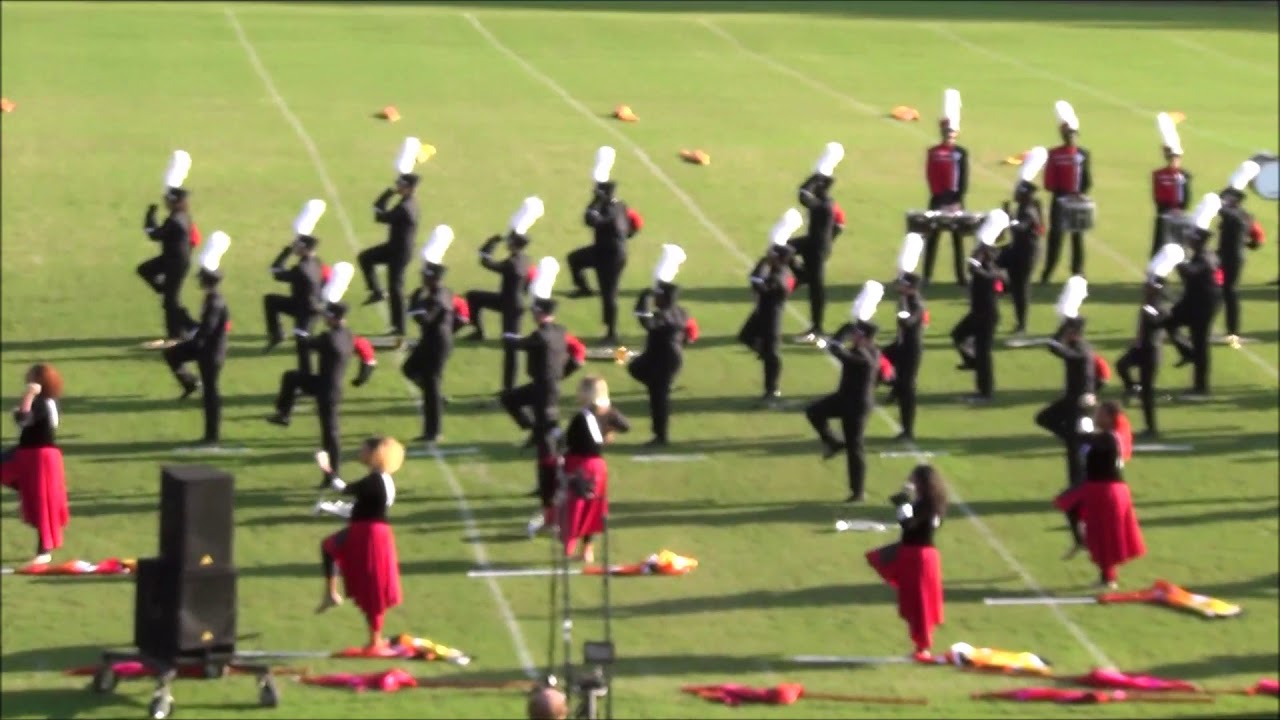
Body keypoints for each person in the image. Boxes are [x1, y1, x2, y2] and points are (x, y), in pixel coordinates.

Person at [267, 264, 377, 487]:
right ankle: (283, 414)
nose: (325, 318)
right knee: (292, 377)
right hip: (328, 385)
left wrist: (301, 331)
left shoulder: (329, 338)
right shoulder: (347, 335)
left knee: (330, 434)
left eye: (328, 315)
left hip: (326, 390)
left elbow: (307, 344)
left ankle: (332, 475)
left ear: (335, 318)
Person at [317, 436, 405, 651]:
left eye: (364, 449)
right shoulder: (383, 480)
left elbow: (343, 488)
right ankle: (331, 594)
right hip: (370, 532)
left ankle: (374, 639)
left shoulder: (374, 480)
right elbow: (359, 507)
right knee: (330, 546)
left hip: (369, 534)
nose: (360, 452)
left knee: (371, 587)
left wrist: (326, 468)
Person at [1054, 402, 1144, 588]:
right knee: (1068, 504)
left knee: (1103, 534)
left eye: (1100, 414)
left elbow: (1083, 438)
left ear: (1110, 418)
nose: (1097, 417)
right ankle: (1084, 544)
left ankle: (1107, 577)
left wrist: (1070, 423)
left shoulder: (1109, 438)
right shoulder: (1109, 437)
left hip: (1107, 491)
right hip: (1098, 488)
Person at [865, 464, 947, 661]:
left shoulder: (927, 504)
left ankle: (923, 647)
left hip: (917, 557)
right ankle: (921, 645)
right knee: (879, 560)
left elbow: (909, 526)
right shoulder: (933, 501)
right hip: (918, 554)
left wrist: (903, 505)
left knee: (920, 605)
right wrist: (905, 500)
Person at [809, 289, 882, 503]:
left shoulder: (866, 356)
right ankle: (832, 442)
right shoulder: (866, 349)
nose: (855, 336)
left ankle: (858, 491)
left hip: (858, 406)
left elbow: (841, 353)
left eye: (858, 334)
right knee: (814, 412)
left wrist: (828, 344)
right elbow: (839, 345)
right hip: (844, 398)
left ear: (866, 338)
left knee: (855, 447)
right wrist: (844, 331)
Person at [568, 147, 643, 346]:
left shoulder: (607, 210)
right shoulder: (620, 204)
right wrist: (626, 237)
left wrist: (595, 202)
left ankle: (612, 332)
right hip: (605, 251)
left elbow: (589, 219)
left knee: (609, 295)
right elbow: (635, 224)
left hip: (611, 258)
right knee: (574, 259)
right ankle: (583, 288)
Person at [465, 197, 541, 395]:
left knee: (510, 347)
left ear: (514, 245)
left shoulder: (512, 264)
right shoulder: (525, 259)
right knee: (474, 297)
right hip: (511, 302)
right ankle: (478, 332)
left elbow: (485, 261)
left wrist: (491, 242)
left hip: (511, 307)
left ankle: (509, 387)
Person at [164, 232, 231, 447]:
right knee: (172, 354)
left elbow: (206, 331)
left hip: (211, 352)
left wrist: (187, 335)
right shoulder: (211, 298)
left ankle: (212, 436)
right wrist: (186, 321)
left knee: (211, 394)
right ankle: (191, 383)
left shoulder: (214, 302)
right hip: (206, 347)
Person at [1, 364, 69, 566]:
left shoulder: (40, 402)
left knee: (42, 504)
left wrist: (29, 396)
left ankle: (44, 549)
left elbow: (23, 419)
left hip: (37, 457)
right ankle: (24, 488)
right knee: (41, 500)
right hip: (32, 453)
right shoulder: (51, 402)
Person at [558, 377, 630, 564]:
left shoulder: (581, 417)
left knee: (574, 508)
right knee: (593, 508)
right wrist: (608, 432)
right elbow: (625, 425)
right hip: (598, 466)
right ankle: (587, 551)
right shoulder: (608, 412)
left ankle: (568, 549)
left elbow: (566, 442)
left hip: (579, 465)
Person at [501, 258, 569, 449]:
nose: (533, 314)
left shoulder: (540, 335)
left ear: (540, 313)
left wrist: (508, 337)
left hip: (545, 386)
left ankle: (563, 443)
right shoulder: (560, 330)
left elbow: (521, 344)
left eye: (535, 312)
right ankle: (536, 433)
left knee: (549, 422)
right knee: (513, 401)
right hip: (547, 383)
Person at [629, 245, 692, 447]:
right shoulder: (680, 311)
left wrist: (643, 298)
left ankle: (661, 436)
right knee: (635, 366)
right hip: (665, 357)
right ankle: (654, 385)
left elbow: (645, 322)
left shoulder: (663, 315)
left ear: (663, 298)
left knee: (658, 398)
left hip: (662, 360)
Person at [1035, 279, 1095, 487]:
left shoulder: (1078, 350)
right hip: (1075, 401)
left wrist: (1062, 327)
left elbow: (1053, 346)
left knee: (1074, 454)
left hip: (1078, 406)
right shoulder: (1083, 346)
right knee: (1044, 418)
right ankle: (1076, 442)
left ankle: (1078, 486)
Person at [1116, 247, 1179, 438]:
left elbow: (1160, 323)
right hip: (1142, 346)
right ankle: (1133, 387)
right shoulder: (1149, 303)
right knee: (1121, 365)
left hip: (1152, 351)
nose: (1145, 288)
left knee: (1148, 393)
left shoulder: (1161, 308)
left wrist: (1151, 316)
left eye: (1149, 288)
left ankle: (1152, 428)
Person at [1165, 195, 1223, 399]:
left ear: (1198, 242)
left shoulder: (1205, 259)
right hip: (1193, 301)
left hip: (1203, 307)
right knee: (1169, 322)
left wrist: (1177, 259)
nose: (1188, 240)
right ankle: (1186, 352)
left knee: (1201, 344)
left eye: (1191, 239)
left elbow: (1189, 273)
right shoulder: (1206, 255)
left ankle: (1201, 387)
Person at [403, 226, 456, 445]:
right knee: (409, 369)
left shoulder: (436, 299)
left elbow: (424, 319)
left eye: (425, 276)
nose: (421, 279)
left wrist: (415, 303)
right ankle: (437, 398)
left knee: (431, 384)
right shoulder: (440, 292)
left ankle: (433, 431)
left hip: (437, 345)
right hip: (430, 341)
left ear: (432, 278)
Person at [741, 210, 800, 406]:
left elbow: (757, 283)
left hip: (771, 318)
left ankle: (772, 390)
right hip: (762, 312)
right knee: (746, 337)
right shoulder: (778, 269)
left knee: (772, 354)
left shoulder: (779, 278)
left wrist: (763, 264)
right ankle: (763, 353)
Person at [791, 143, 846, 341]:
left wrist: (815, 177)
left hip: (817, 248)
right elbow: (840, 225)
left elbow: (803, 194)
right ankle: (802, 275)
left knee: (817, 288)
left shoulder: (823, 205)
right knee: (785, 247)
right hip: (816, 243)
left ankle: (817, 329)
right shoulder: (827, 202)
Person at [951, 212, 1008, 403]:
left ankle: (986, 392)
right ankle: (972, 362)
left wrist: (977, 269)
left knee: (984, 352)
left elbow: (994, 276)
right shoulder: (987, 253)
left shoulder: (991, 259)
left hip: (987, 313)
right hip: (978, 310)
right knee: (958, 334)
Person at [359, 173, 420, 343]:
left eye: (400, 184)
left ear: (408, 187)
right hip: (395, 248)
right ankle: (377, 291)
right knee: (365, 258)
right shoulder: (410, 203)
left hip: (399, 252)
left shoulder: (404, 208)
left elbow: (379, 215)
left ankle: (399, 327)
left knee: (396, 287)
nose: (397, 186)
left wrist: (387, 194)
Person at [137, 184, 197, 344]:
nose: (165, 203)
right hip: (171, 259)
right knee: (145, 270)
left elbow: (154, 235)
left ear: (175, 202)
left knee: (170, 301)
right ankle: (185, 328)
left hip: (175, 263)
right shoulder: (182, 216)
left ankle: (178, 334)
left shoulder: (175, 219)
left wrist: (149, 216)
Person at [921, 91, 969, 287]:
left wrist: (958, 196)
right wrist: (938, 195)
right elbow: (930, 174)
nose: (949, 135)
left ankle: (960, 276)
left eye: (951, 132)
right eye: (946, 132)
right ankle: (927, 275)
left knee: (958, 239)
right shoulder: (933, 152)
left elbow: (965, 176)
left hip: (955, 198)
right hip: (938, 198)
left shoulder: (961, 152)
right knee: (932, 238)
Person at [1041, 101, 1092, 284]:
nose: (1070, 137)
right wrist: (1060, 193)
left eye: (1072, 133)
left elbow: (1087, 178)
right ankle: (1047, 272)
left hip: (1077, 200)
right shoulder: (1054, 154)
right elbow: (1048, 180)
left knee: (1077, 238)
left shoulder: (1083, 154)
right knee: (1056, 238)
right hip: (1060, 200)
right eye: (1067, 133)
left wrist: (1081, 193)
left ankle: (1078, 271)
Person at [998, 148, 1047, 335]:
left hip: (1027, 254)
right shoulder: (1027, 205)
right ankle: (1005, 287)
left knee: (1022, 288)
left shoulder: (1028, 211)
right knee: (993, 260)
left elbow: (1020, 226)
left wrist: (1008, 217)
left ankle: (1022, 323)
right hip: (1018, 249)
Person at [1217, 161, 1265, 348]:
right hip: (1237, 257)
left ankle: (1232, 332)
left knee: (1222, 291)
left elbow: (1219, 201)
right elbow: (1259, 241)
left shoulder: (1228, 213)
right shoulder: (1247, 216)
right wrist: (1246, 244)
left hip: (1224, 257)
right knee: (1229, 292)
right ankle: (1233, 332)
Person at [264, 234, 324, 374]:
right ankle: (277, 333)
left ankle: (307, 377)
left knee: (302, 344)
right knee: (271, 300)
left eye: (296, 244)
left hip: (307, 311)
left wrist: (287, 251)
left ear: (303, 248)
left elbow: (275, 271)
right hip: (306, 304)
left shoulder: (301, 269)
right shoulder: (316, 261)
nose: (294, 246)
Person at [882, 271, 926, 441]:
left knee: (908, 390)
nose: (898, 286)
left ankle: (908, 431)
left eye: (902, 284)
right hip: (901, 344)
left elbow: (908, 322)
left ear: (909, 287)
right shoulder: (905, 298)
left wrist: (903, 310)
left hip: (911, 350)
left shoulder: (916, 303)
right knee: (878, 361)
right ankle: (895, 388)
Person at [1150, 114, 1191, 258]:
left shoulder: (1162, 174)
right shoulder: (1181, 175)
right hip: (1168, 213)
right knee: (1163, 244)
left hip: (1170, 213)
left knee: (1177, 245)